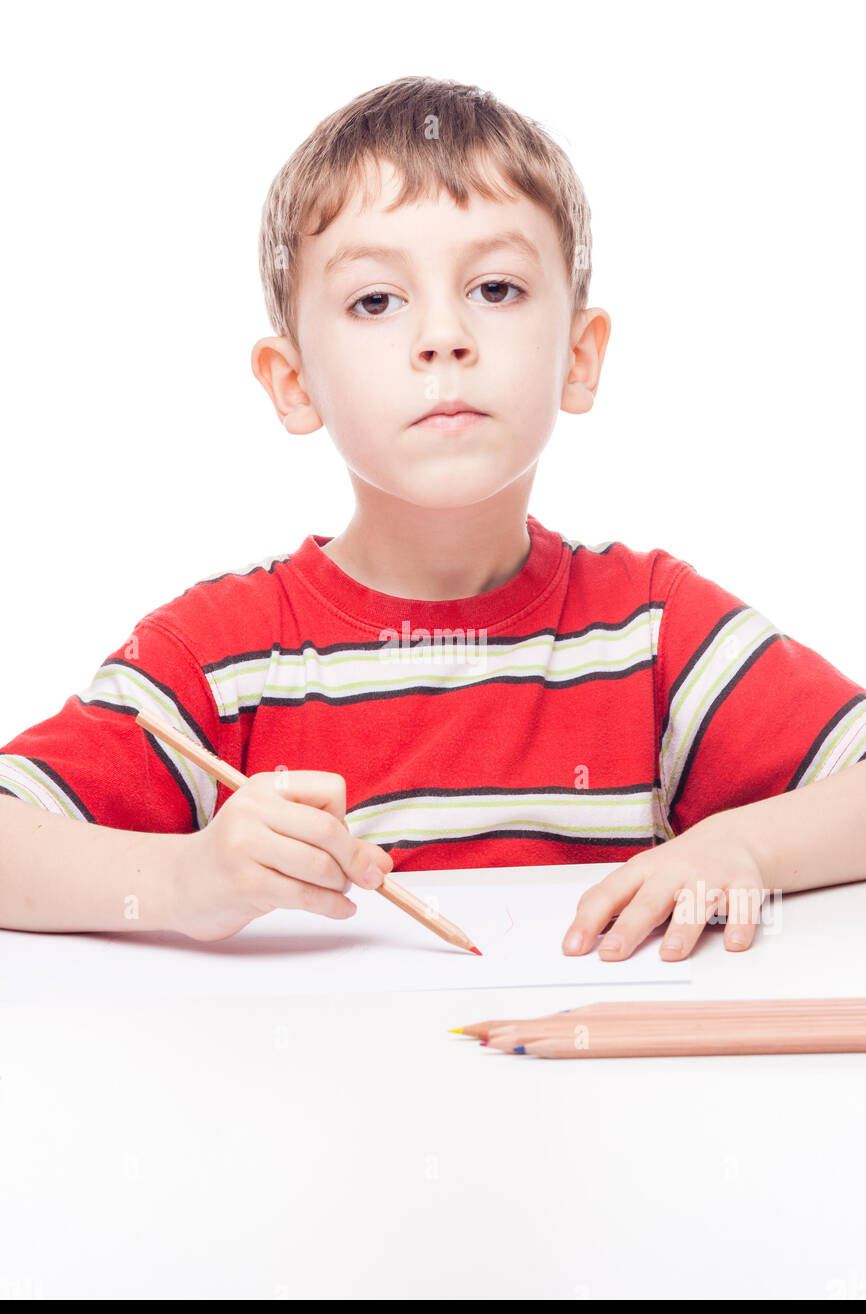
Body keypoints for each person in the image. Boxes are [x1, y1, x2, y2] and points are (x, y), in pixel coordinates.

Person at [1, 75, 865, 961]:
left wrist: (746, 848)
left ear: (579, 357)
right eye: (376, 301)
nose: (443, 337)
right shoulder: (222, 656)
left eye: (495, 289)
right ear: (293, 384)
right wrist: (187, 881)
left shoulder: (652, 630)